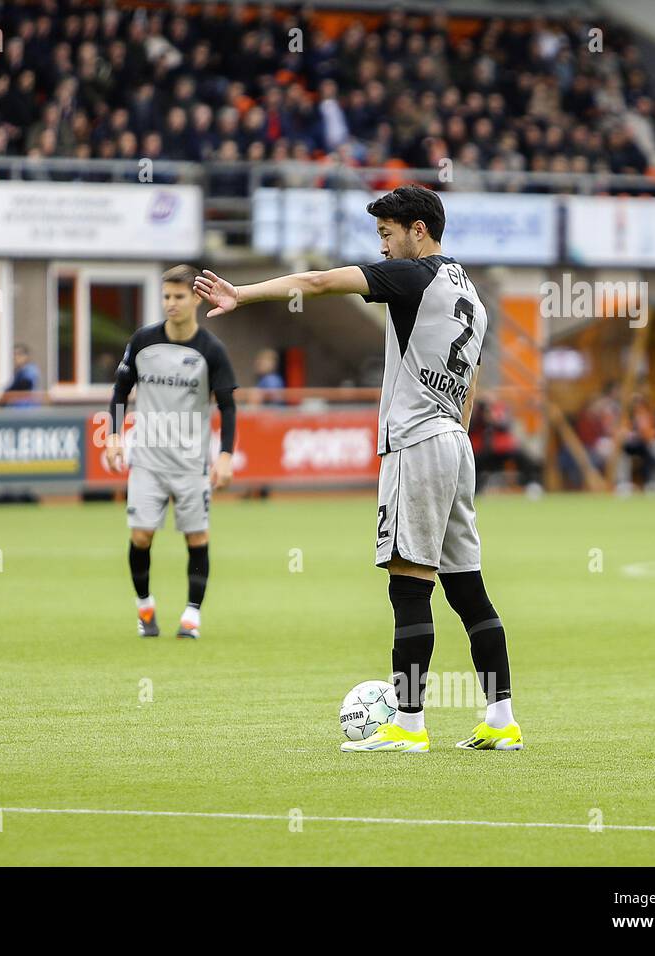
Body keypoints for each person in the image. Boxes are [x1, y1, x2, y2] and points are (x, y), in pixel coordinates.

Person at [195, 185, 521, 752]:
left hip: (417, 443)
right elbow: (469, 388)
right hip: (455, 441)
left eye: (387, 234)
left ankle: (410, 725)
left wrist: (240, 294)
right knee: (468, 589)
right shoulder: (470, 292)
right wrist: (455, 448)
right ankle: (501, 719)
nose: (384, 247)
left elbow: (319, 282)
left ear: (418, 229)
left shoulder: (414, 275)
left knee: (407, 583)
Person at [106, 264, 237, 640]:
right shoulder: (144, 341)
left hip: (191, 463)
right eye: (166, 296)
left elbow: (228, 406)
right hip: (146, 459)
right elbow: (119, 391)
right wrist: (114, 435)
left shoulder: (211, 350)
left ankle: (191, 616)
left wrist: (225, 454)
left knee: (196, 538)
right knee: (141, 536)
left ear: (196, 298)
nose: (170, 304)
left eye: (178, 296)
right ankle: (144, 608)